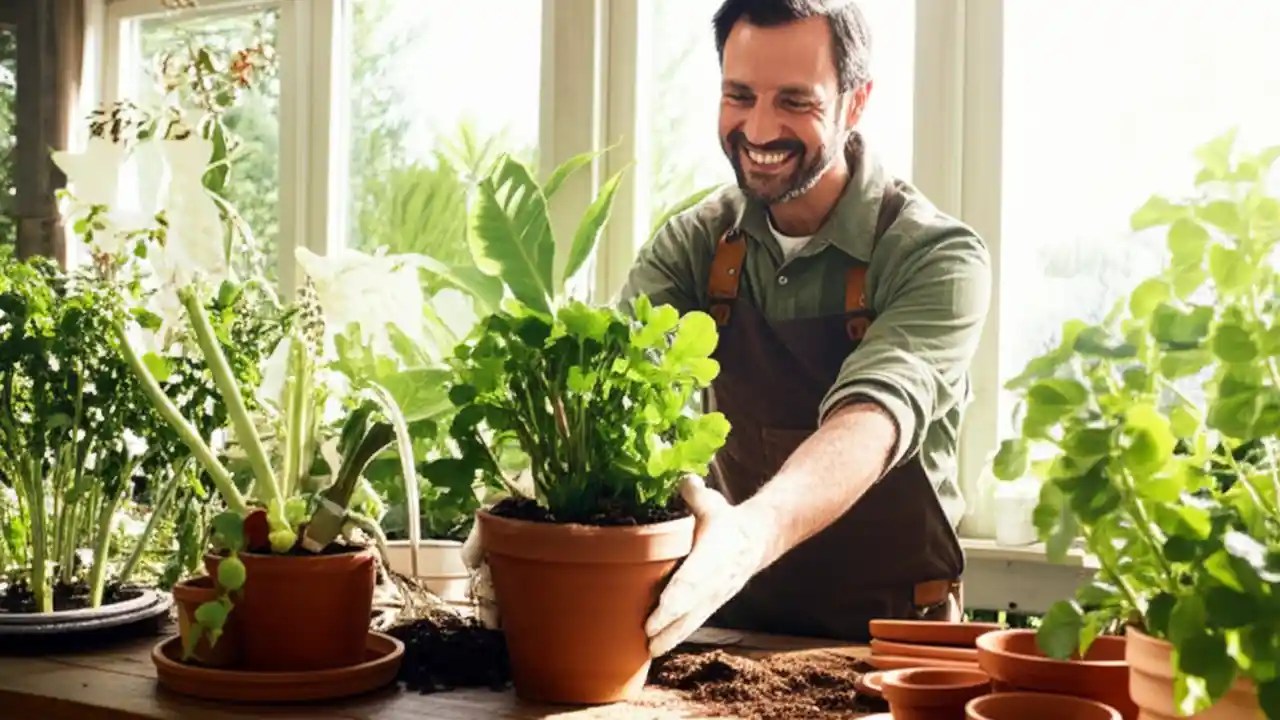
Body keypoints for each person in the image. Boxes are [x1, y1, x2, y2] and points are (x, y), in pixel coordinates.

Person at [463, 0, 992, 657]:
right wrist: (536, 498)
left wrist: (745, 539)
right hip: (728, 628)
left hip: (897, 645)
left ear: (856, 104)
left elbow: (872, 416)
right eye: (739, 95)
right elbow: (610, 384)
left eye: (794, 101)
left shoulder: (933, 255)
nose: (759, 128)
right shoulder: (695, 243)